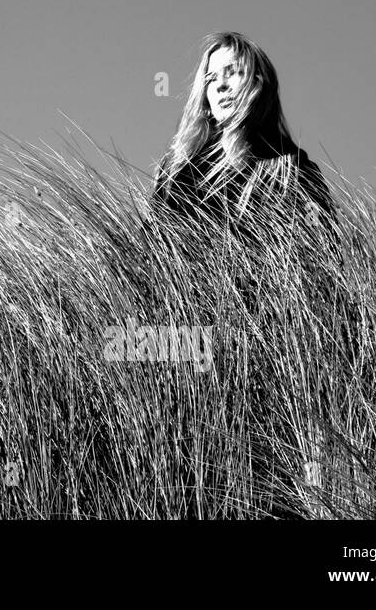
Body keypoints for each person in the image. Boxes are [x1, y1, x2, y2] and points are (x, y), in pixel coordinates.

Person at [145, 31, 354, 517]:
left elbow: (323, 268)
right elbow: (150, 257)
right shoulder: (175, 172)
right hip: (183, 346)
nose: (218, 86)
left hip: (261, 346)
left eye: (232, 74)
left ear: (257, 84)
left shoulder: (288, 169)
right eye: (210, 77)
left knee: (262, 480)